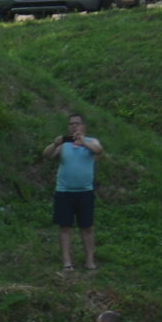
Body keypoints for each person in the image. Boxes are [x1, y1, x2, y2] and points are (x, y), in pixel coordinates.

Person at [42, 112, 103, 271]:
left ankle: (90, 261)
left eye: (77, 123)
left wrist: (83, 142)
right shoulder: (64, 143)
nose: (74, 126)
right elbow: (46, 155)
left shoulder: (91, 141)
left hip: (85, 192)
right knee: (65, 227)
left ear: (84, 126)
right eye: (71, 124)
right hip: (64, 192)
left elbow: (98, 150)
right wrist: (55, 144)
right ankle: (67, 262)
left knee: (87, 227)